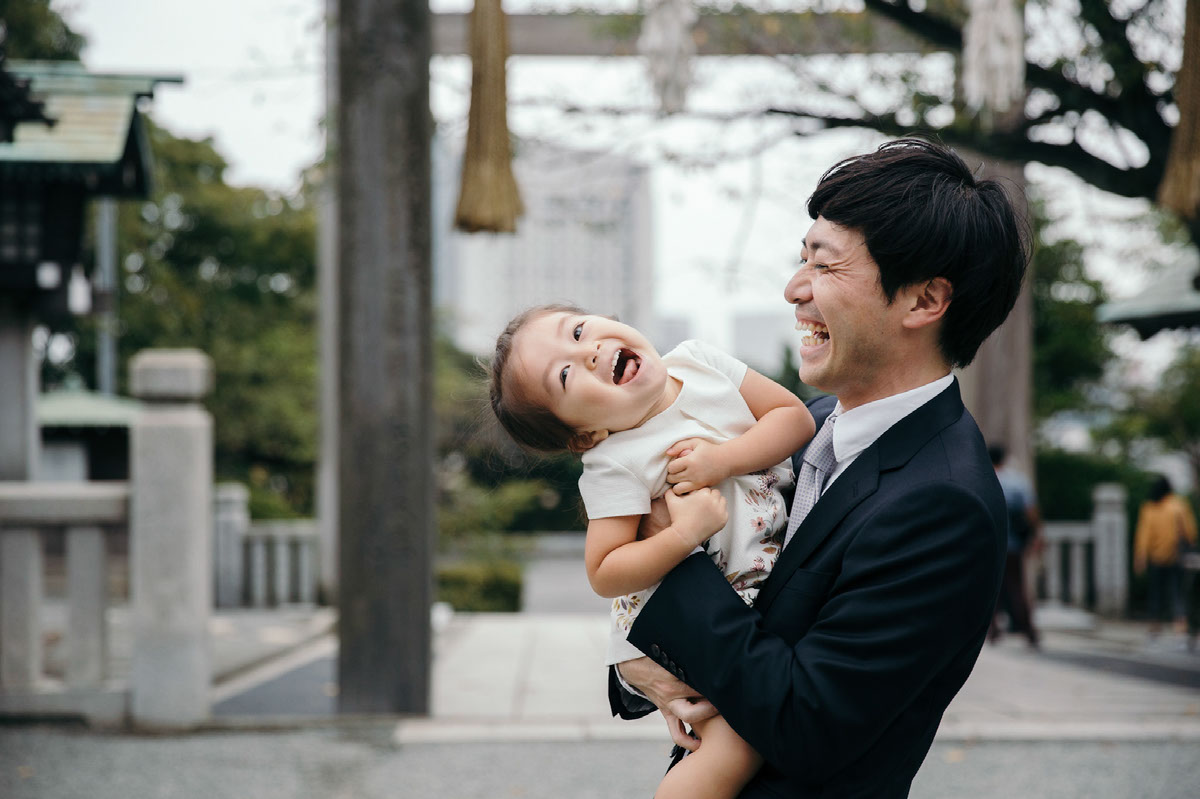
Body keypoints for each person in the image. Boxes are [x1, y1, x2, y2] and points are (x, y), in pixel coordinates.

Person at [611, 137, 1029, 798]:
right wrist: (641, 669)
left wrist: (676, 553)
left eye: (825, 267)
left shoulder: (945, 502)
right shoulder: (797, 424)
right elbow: (737, 602)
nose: (794, 288)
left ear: (923, 301)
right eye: (801, 257)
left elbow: (809, 721)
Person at [489, 304, 816, 799]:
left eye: (578, 331)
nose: (589, 351)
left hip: (768, 592)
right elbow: (605, 571)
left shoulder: (701, 362)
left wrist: (721, 460)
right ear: (584, 433)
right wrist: (683, 534)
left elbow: (793, 418)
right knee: (732, 747)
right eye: (565, 373)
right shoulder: (613, 463)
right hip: (708, 622)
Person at [987, 443, 1043, 648]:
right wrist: (1037, 536)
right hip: (1013, 543)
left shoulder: (983, 478)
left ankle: (992, 631)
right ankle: (1029, 631)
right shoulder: (1018, 481)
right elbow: (1031, 511)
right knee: (1017, 587)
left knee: (991, 589)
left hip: (989, 543)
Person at [1134, 475, 1198, 637]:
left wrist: (1140, 558)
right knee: (1177, 590)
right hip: (1177, 556)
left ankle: (1155, 623)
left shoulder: (1149, 507)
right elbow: (1190, 531)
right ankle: (1180, 621)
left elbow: (1143, 536)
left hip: (1156, 556)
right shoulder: (1178, 505)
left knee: (1156, 590)